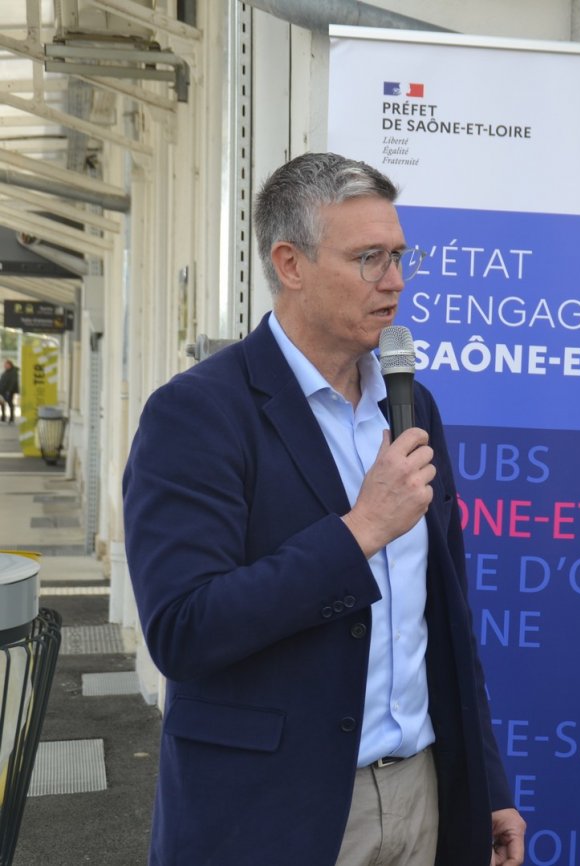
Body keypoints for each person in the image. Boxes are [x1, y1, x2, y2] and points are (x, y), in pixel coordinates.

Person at [123, 152, 525, 866]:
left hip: (422, 795)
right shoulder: (199, 413)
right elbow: (184, 629)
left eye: (400, 256)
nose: (395, 281)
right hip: (275, 811)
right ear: (290, 263)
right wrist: (360, 530)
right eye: (369, 258)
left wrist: (486, 784)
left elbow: (447, 619)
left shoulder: (411, 404)